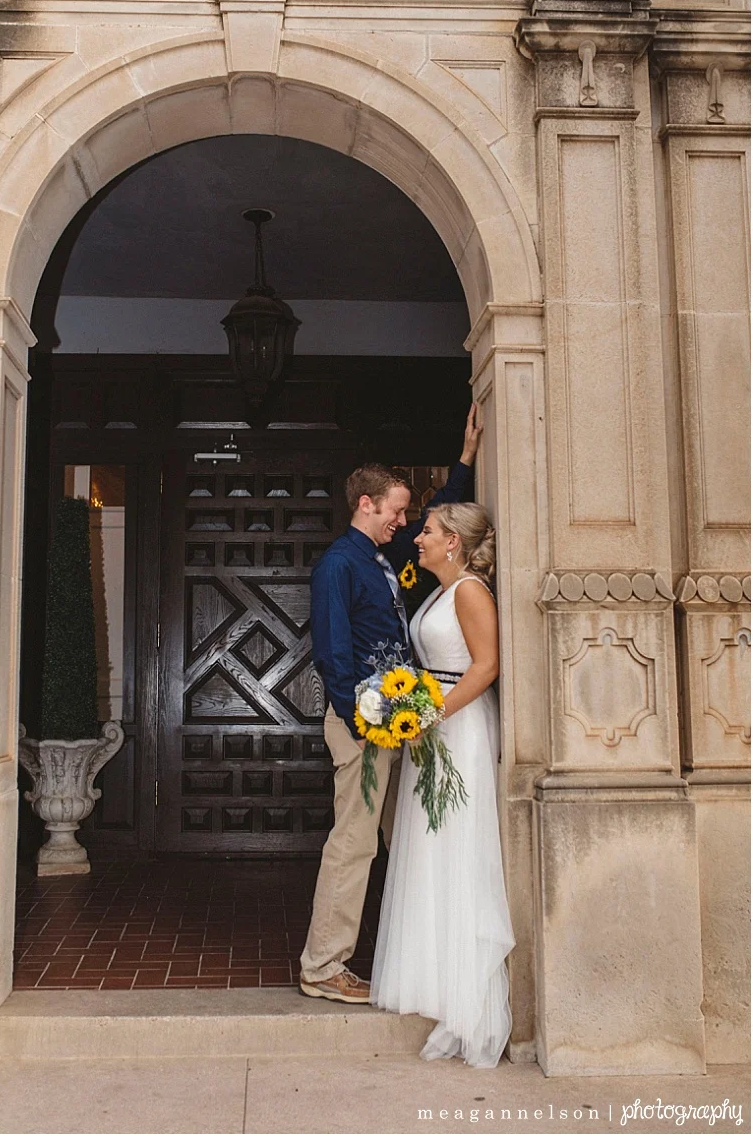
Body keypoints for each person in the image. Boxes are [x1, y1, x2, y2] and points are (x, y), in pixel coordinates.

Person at [298, 405, 483, 1004]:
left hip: (394, 722)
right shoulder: (338, 565)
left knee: (407, 841)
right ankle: (324, 967)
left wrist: (464, 460)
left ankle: (419, 959)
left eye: (408, 514)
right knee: (354, 842)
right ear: (366, 504)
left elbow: (443, 530)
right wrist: (364, 724)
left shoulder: (383, 555)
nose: (406, 521)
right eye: (398, 510)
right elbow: (332, 653)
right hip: (363, 725)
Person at [371, 501, 515, 1066]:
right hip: (436, 725)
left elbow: (486, 665)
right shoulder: (441, 591)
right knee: (433, 855)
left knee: (459, 854)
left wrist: (433, 713)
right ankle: (444, 994)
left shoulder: (471, 592)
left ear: (453, 540)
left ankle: (470, 1006)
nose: (418, 538)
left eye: (427, 531)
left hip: (461, 731)